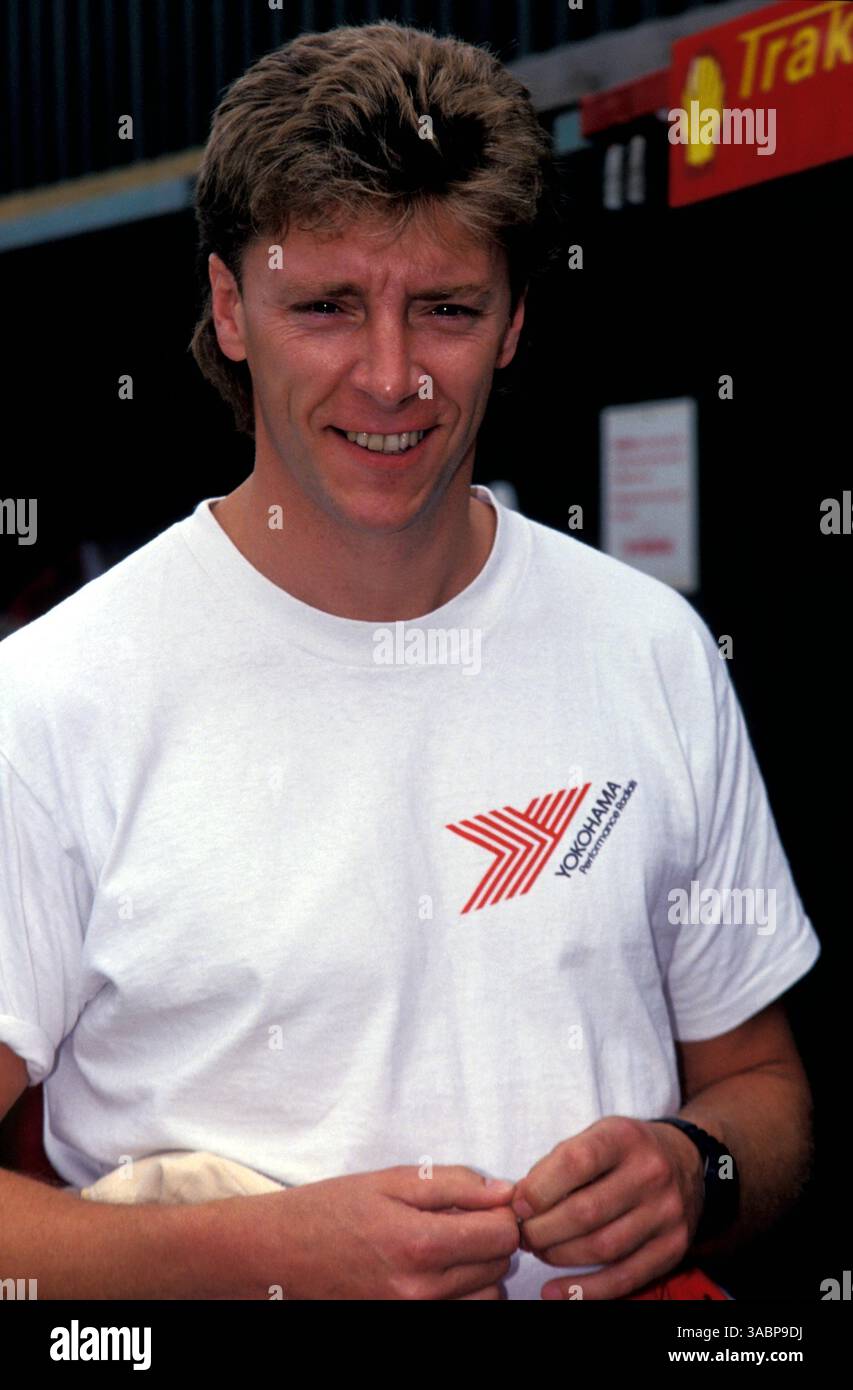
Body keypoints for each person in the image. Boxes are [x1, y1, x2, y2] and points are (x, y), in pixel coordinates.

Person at [0, 19, 819, 1301]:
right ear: (231, 307)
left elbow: (759, 1084)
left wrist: (694, 1169)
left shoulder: (648, 643)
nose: (391, 379)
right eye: (326, 306)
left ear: (512, 320)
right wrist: (260, 1260)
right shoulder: (54, 700)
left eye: (444, 309)